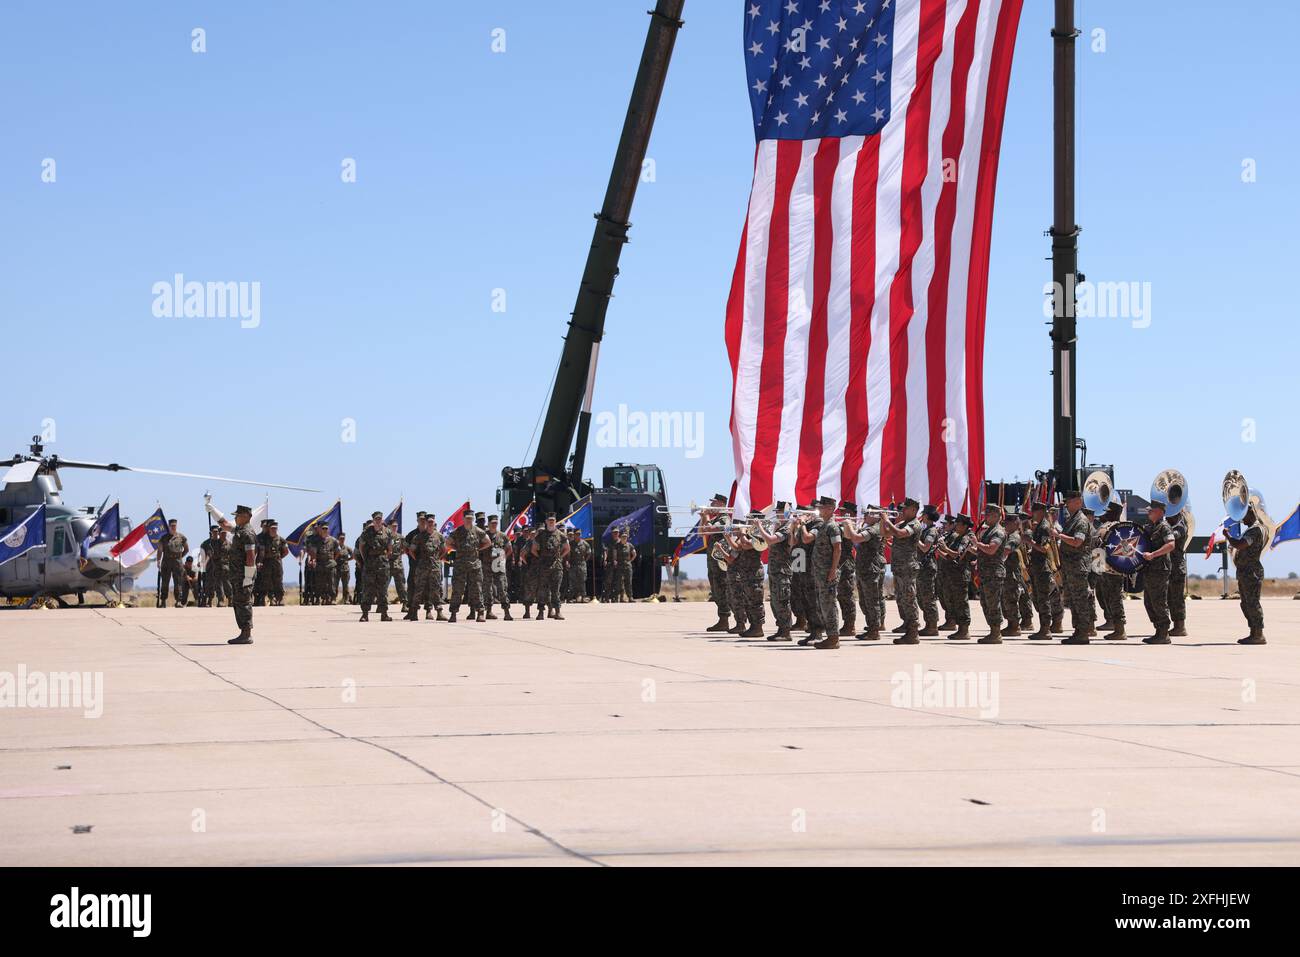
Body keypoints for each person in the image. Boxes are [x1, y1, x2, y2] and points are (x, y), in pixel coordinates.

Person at [1053, 490, 1097, 644]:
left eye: (1069, 502)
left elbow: (1077, 541)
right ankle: (1078, 630)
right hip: (1071, 567)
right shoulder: (1072, 519)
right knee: (1073, 600)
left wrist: (1060, 536)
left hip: (1078, 567)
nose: (1066, 505)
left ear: (1078, 502)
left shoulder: (1081, 521)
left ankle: (1084, 632)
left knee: (1080, 600)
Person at [802, 496, 842, 649]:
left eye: (823, 507)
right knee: (823, 605)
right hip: (820, 573)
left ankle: (833, 638)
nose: (820, 509)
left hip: (827, 573)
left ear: (831, 509)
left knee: (829, 605)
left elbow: (838, 548)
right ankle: (830, 636)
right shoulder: (823, 526)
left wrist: (833, 570)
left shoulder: (832, 527)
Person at [882, 499, 923, 645]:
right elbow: (886, 534)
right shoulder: (902, 523)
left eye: (905, 509)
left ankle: (913, 632)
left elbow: (899, 534)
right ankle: (908, 628)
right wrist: (883, 521)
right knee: (902, 599)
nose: (902, 511)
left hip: (907, 567)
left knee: (909, 599)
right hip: (899, 567)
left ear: (913, 510)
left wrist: (888, 521)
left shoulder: (914, 524)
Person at [1224, 507, 1267, 644]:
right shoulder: (1250, 529)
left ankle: (1258, 634)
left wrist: (1228, 536)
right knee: (1246, 604)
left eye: (1244, 516)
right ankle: (1253, 632)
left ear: (1251, 513)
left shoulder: (1255, 529)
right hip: (1245, 572)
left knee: (1252, 603)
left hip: (1251, 572)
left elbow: (1241, 544)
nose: (1242, 519)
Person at [1138, 500, 1177, 644]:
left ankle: (1163, 633)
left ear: (1160, 511)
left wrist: (1153, 554)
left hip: (1160, 569)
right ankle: (1158, 630)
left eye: (1151, 510)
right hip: (1150, 569)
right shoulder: (1151, 527)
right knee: (1149, 601)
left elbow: (1171, 545)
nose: (1148, 512)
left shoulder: (1164, 527)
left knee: (1158, 601)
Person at [845, 508, 886, 640]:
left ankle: (874, 630)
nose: (865, 516)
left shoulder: (874, 529)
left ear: (875, 517)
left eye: (867, 514)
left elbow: (856, 538)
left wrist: (850, 525)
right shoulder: (867, 527)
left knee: (871, 601)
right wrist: (847, 525)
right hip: (864, 568)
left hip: (871, 569)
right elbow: (848, 536)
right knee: (864, 601)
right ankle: (871, 627)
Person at [971, 504, 1008, 643]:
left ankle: (996, 632)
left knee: (993, 603)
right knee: (985, 602)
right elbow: (983, 551)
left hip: (994, 573)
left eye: (987, 514)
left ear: (996, 516)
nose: (984, 517)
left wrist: (977, 543)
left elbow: (992, 549)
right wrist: (974, 548)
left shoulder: (998, 532)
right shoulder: (988, 531)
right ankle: (993, 630)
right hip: (986, 573)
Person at [725, 512, 766, 638]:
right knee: (748, 600)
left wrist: (742, 533)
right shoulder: (749, 532)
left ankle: (758, 627)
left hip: (754, 571)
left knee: (755, 600)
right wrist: (728, 537)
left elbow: (747, 545)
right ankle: (753, 626)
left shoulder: (759, 532)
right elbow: (738, 547)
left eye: (750, 519)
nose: (747, 522)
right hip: (746, 571)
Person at [935, 514, 975, 640]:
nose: (955, 526)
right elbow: (948, 556)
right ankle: (959, 627)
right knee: (953, 602)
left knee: (961, 603)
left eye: (958, 524)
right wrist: (939, 550)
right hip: (952, 574)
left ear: (964, 525)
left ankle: (964, 630)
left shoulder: (967, 537)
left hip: (960, 575)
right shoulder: (959, 536)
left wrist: (944, 547)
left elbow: (957, 554)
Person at [447, 508, 491, 622]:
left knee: (477, 589)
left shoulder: (478, 531)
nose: (469, 521)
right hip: (460, 565)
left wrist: (478, 549)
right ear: (463, 519)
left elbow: (488, 542)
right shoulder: (458, 531)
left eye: (471, 519)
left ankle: (480, 612)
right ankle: (453, 613)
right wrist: (456, 549)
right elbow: (447, 542)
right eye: (467, 519)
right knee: (457, 590)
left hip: (474, 565)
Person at [221, 505, 257, 645]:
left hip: (244, 575)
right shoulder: (240, 531)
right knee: (238, 602)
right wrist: (212, 509)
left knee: (244, 602)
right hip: (238, 574)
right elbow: (225, 525)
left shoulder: (247, 533)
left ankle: (246, 634)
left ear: (246, 516)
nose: (235, 518)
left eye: (237, 515)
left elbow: (250, 556)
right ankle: (243, 632)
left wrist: (248, 577)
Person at [1024, 502, 1059, 640]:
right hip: (1037, 568)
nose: (1033, 513)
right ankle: (1044, 628)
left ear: (1042, 511)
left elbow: (1044, 548)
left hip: (1043, 569)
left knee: (1043, 599)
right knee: (1039, 599)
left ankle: (1045, 630)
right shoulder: (1039, 526)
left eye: (1035, 510)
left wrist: (1030, 542)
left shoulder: (1044, 527)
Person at [1094, 502, 1128, 640]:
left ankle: (1120, 630)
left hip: (1114, 571)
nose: (1106, 514)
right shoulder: (1105, 526)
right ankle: (1112, 623)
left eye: (1109, 512)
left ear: (1115, 513)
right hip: (1102, 568)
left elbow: (1125, 551)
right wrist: (1096, 568)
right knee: (1105, 598)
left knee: (1115, 599)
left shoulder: (1120, 529)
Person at [760, 505, 794, 640]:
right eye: (777, 512)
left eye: (779, 512)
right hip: (775, 570)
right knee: (775, 601)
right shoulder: (779, 528)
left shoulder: (786, 529)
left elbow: (770, 540)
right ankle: (781, 629)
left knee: (782, 600)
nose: (777, 515)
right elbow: (769, 544)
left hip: (782, 571)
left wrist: (760, 527)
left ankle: (786, 631)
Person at [530, 513, 569, 621]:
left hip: (556, 566)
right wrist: (541, 558)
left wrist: (560, 557)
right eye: (549, 520)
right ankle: (541, 612)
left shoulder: (561, 535)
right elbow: (533, 549)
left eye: (553, 520)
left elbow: (567, 548)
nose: (551, 522)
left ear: (555, 521)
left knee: (556, 590)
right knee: (542, 589)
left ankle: (557, 611)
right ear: (546, 522)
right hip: (544, 566)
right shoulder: (541, 535)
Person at [702, 495, 732, 631]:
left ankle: (726, 619)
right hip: (713, 560)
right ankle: (722, 619)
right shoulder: (715, 519)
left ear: (720, 504)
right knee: (716, 590)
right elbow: (702, 532)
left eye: (714, 502)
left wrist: (706, 517)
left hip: (720, 560)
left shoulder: (724, 519)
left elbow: (709, 530)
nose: (711, 504)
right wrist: (704, 517)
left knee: (722, 589)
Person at [357, 511, 393, 622]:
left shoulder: (387, 532)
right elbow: (361, 547)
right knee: (368, 589)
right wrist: (366, 559)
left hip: (383, 564)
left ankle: (384, 614)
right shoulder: (367, 532)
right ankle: (365, 614)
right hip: (370, 565)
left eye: (380, 519)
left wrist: (384, 557)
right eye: (376, 519)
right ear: (373, 520)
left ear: (382, 520)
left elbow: (390, 548)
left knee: (383, 590)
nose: (378, 521)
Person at [916, 506, 942, 636]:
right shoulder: (925, 530)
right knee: (921, 597)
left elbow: (926, 548)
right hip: (922, 567)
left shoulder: (931, 531)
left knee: (928, 597)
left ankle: (932, 626)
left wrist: (915, 539)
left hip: (927, 567)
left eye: (924, 515)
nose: (922, 517)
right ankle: (929, 624)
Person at [1000, 511, 1025, 638]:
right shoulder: (1008, 535)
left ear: (1016, 524)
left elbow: (1007, 550)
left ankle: (1015, 626)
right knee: (1007, 599)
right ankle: (1011, 624)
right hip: (1007, 572)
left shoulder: (1014, 536)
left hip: (1012, 574)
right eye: (1006, 523)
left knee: (1011, 599)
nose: (1006, 526)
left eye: (1009, 523)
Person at [834, 503, 858, 637]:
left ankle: (850, 625)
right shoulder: (842, 525)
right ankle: (847, 623)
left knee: (847, 595)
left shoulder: (852, 525)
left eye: (845, 513)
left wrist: (847, 522)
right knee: (841, 596)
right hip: (840, 563)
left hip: (846, 564)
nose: (842, 515)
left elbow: (849, 537)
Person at [483, 515, 513, 620]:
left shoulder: (502, 535)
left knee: (502, 588)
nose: (494, 524)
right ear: (488, 523)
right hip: (486, 565)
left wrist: (503, 556)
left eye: (495, 523)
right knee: (487, 589)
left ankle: (506, 612)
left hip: (498, 565)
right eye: (492, 523)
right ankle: (488, 611)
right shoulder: (484, 535)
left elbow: (509, 548)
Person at [156, 519, 189, 608]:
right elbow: (160, 550)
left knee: (178, 582)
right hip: (166, 561)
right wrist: (158, 560)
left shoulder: (181, 537)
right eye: (172, 526)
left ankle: (178, 601)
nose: (173, 527)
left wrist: (180, 557)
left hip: (177, 562)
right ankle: (163, 601)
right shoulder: (164, 538)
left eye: (175, 526)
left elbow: (186, 549)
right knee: (165, 582)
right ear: (169, 526)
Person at [1167, 509, 1189, 637]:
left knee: (1177, 598)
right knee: (1170, 597)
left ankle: (1180, 627)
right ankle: (1176, 625)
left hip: (1177, 566)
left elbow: (1171, 537)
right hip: (1171, 566)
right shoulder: (1173, 525)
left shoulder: (1180, 527)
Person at [386, 521, 408, 611]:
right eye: (393, 526)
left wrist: (398, 554)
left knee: (401, 586)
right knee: (383, 585)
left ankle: (404, 604)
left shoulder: (400, 537)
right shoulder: (385, 537)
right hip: (387, 564)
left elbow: (405, 549)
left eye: (396, 526)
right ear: (389, 527)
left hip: (398, 564)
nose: (395, 527)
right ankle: (382, 605)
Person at [335, 532, 353, 605]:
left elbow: (353, 556)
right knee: (335, 585)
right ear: (338, 539)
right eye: (341, 538)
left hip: (345, 569)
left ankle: (346, 599)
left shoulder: (347, 548)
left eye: (343, 538)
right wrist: (337, 554)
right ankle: (333, 599)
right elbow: (332, 558)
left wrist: (347, 560)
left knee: (345, 586)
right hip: (337, 569)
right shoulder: (335, 548)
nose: (342, 540)